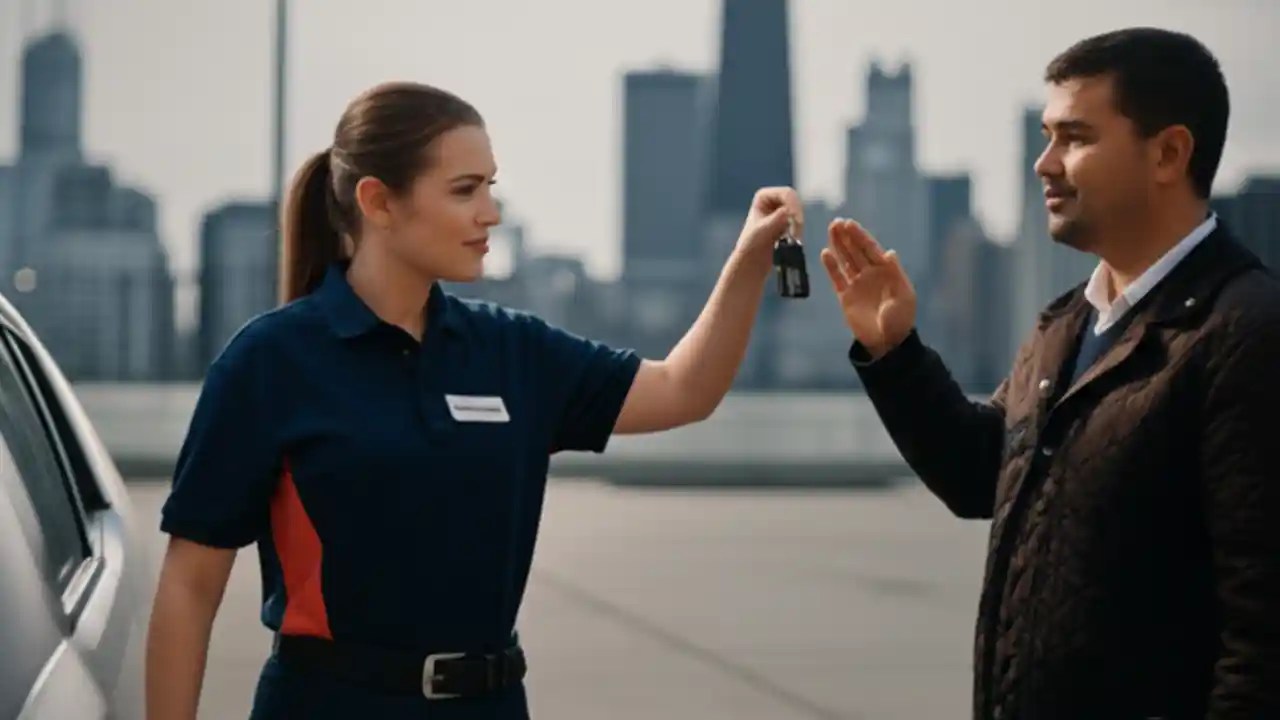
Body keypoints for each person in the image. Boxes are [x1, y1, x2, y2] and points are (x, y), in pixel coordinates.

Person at [144, 80, 802, 719]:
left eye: (490, 186)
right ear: (379, 202)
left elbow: (684, 389)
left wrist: (748, 258)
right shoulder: (270, 362)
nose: (491, 212)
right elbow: (190, 586)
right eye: (465, 190)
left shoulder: (513, 350)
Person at [820, 28, 1280, 719]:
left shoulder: (1247, 331)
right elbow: (982, 474)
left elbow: (1264, 637)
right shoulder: (1065, 324)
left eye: (1075, 138)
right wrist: (894, 352)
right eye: (1046, 137)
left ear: (1168, 153)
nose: (1045, 163)